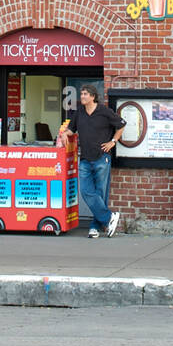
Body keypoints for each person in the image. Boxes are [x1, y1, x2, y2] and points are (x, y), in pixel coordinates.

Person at [59, 85, 125, 237]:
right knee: (86, 191)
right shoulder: (79, 112)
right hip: (85, 158)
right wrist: (65, 134)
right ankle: (109, 218)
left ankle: (95, 227)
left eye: (85, 94)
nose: (82, 96)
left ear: (93, 97)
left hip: (102, 157)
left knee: (100, 193)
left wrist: (113, 142)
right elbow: (71, 129)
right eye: (81, 93)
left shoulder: (104, 111)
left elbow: (121, 125)